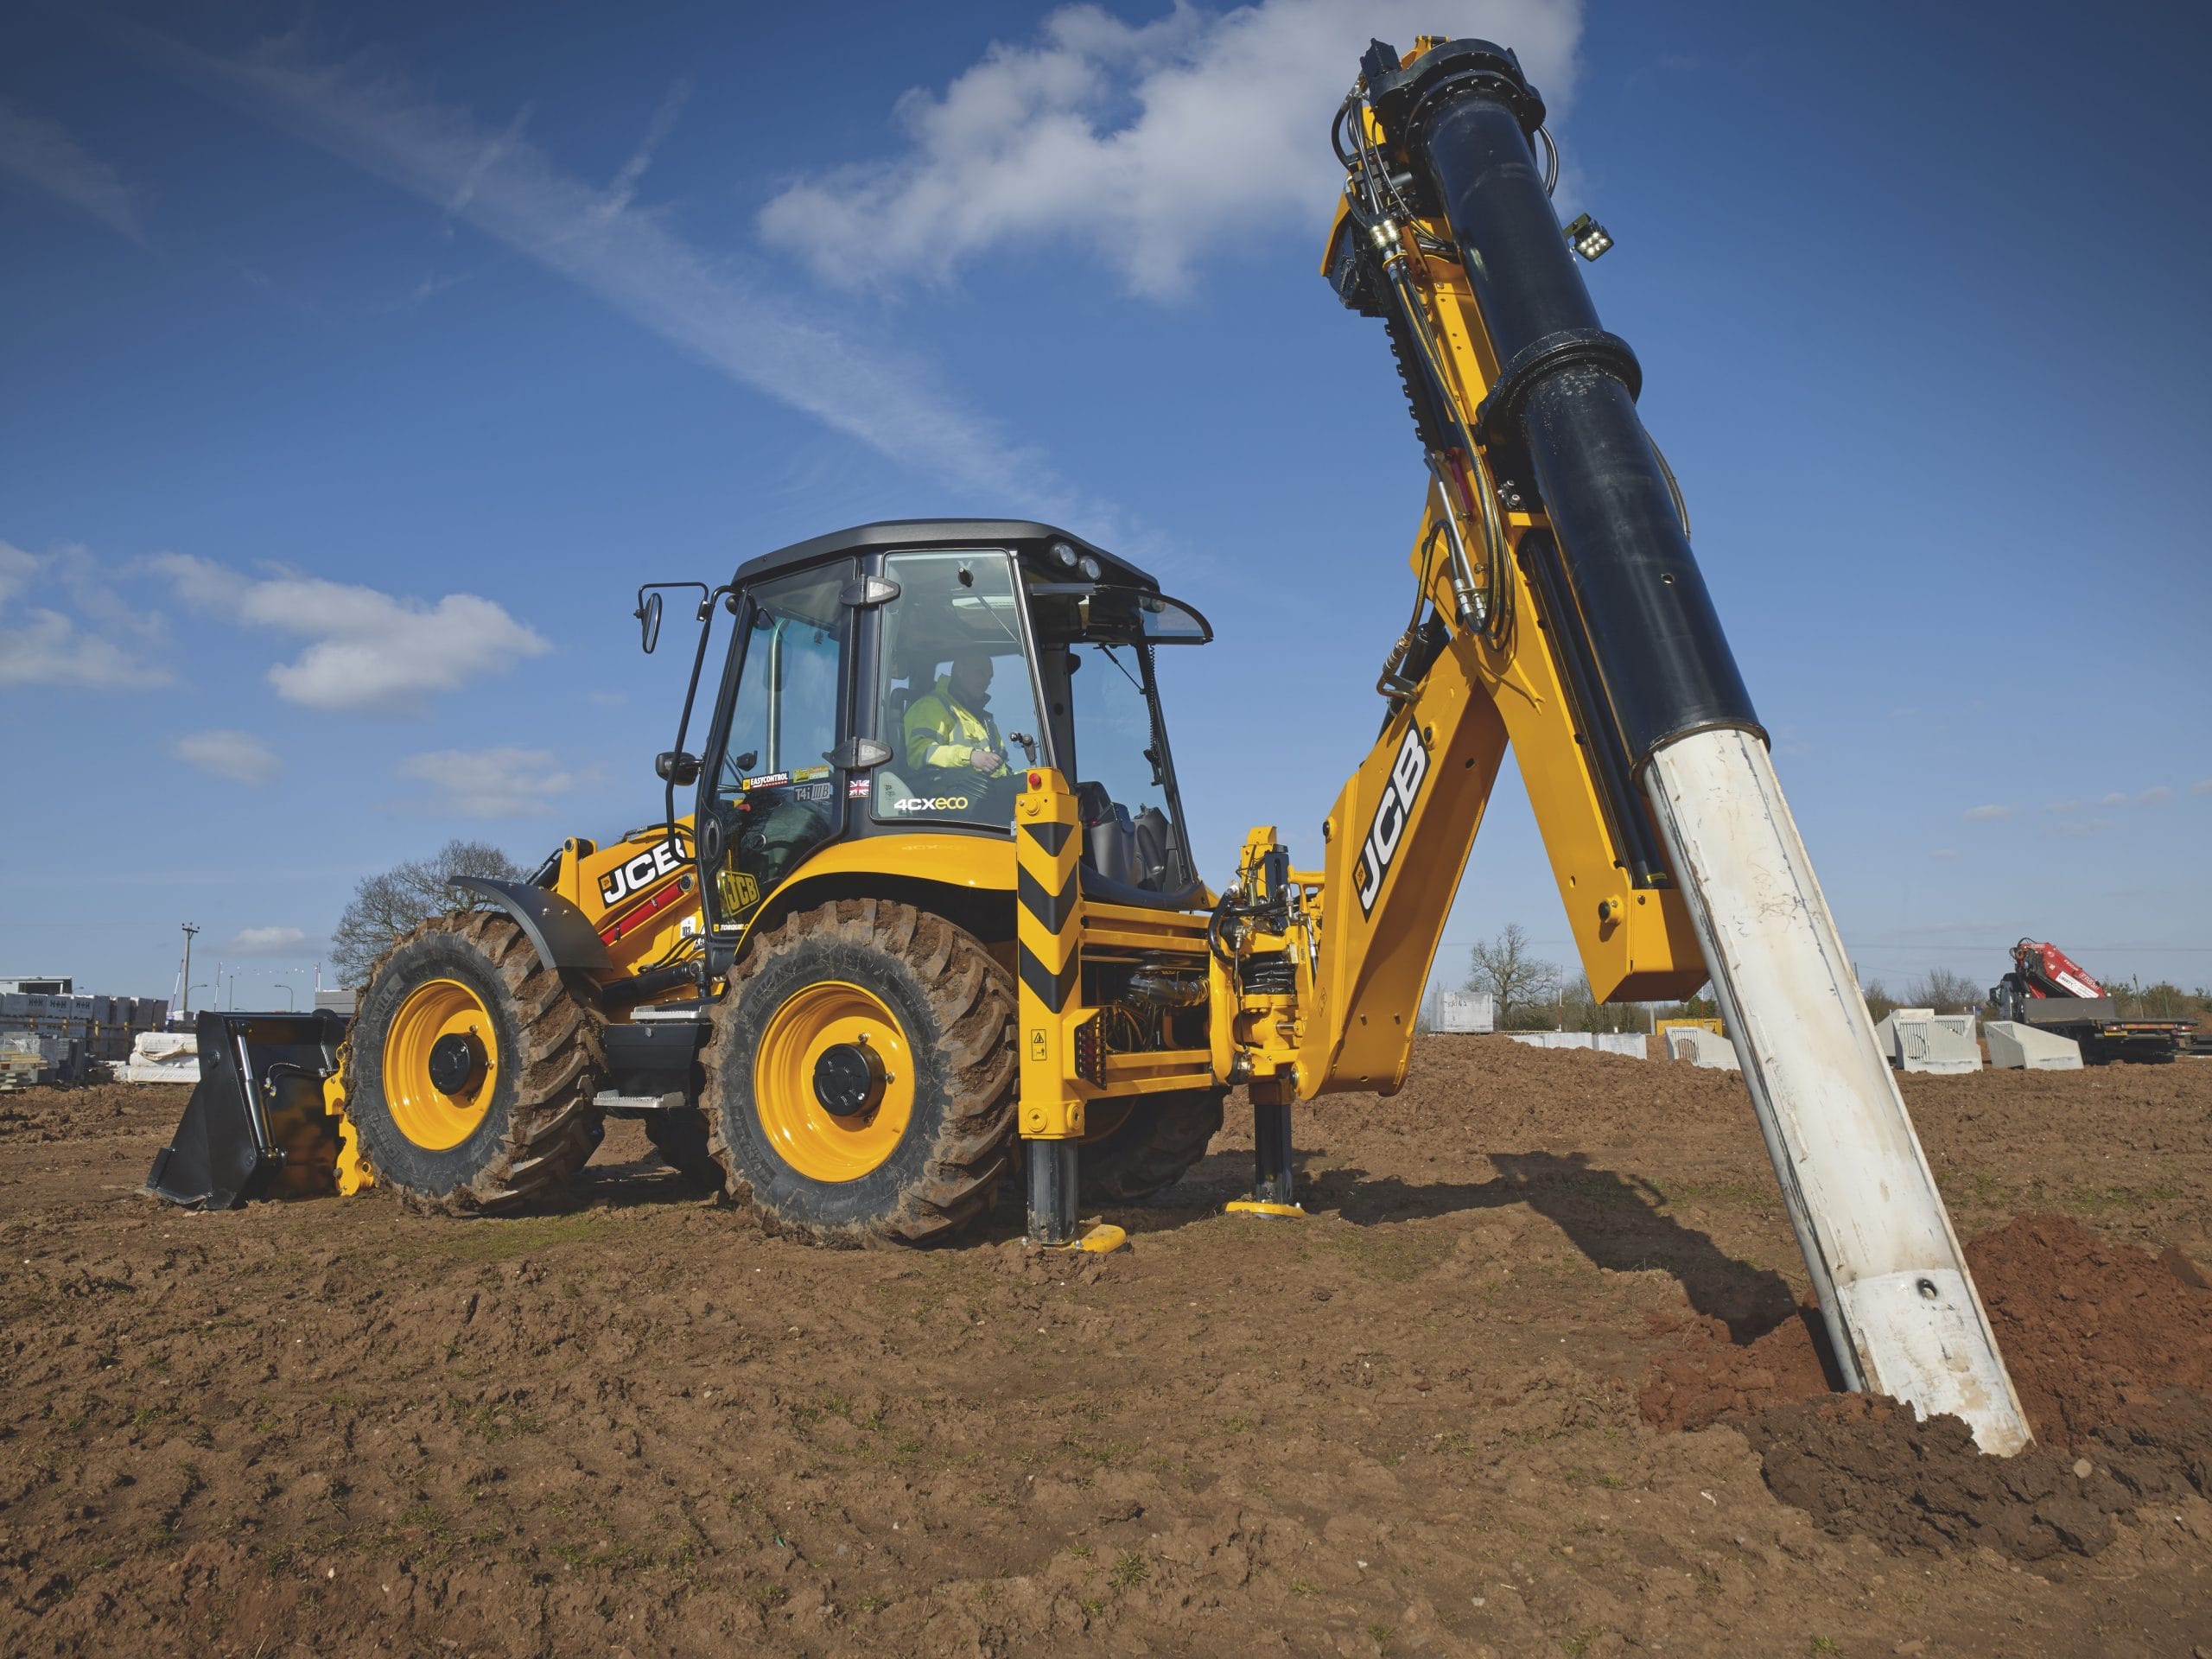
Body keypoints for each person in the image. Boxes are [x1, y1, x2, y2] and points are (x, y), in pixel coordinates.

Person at [902, 649, 1016, 813]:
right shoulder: (932, 705)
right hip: (948, 803)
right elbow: (919, 752)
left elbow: (1003, 770)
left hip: (986, 799)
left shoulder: (984, 721)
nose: (987, 681)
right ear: (960, 671)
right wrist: (970, 756)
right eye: (980, 673)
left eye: (990, 677)